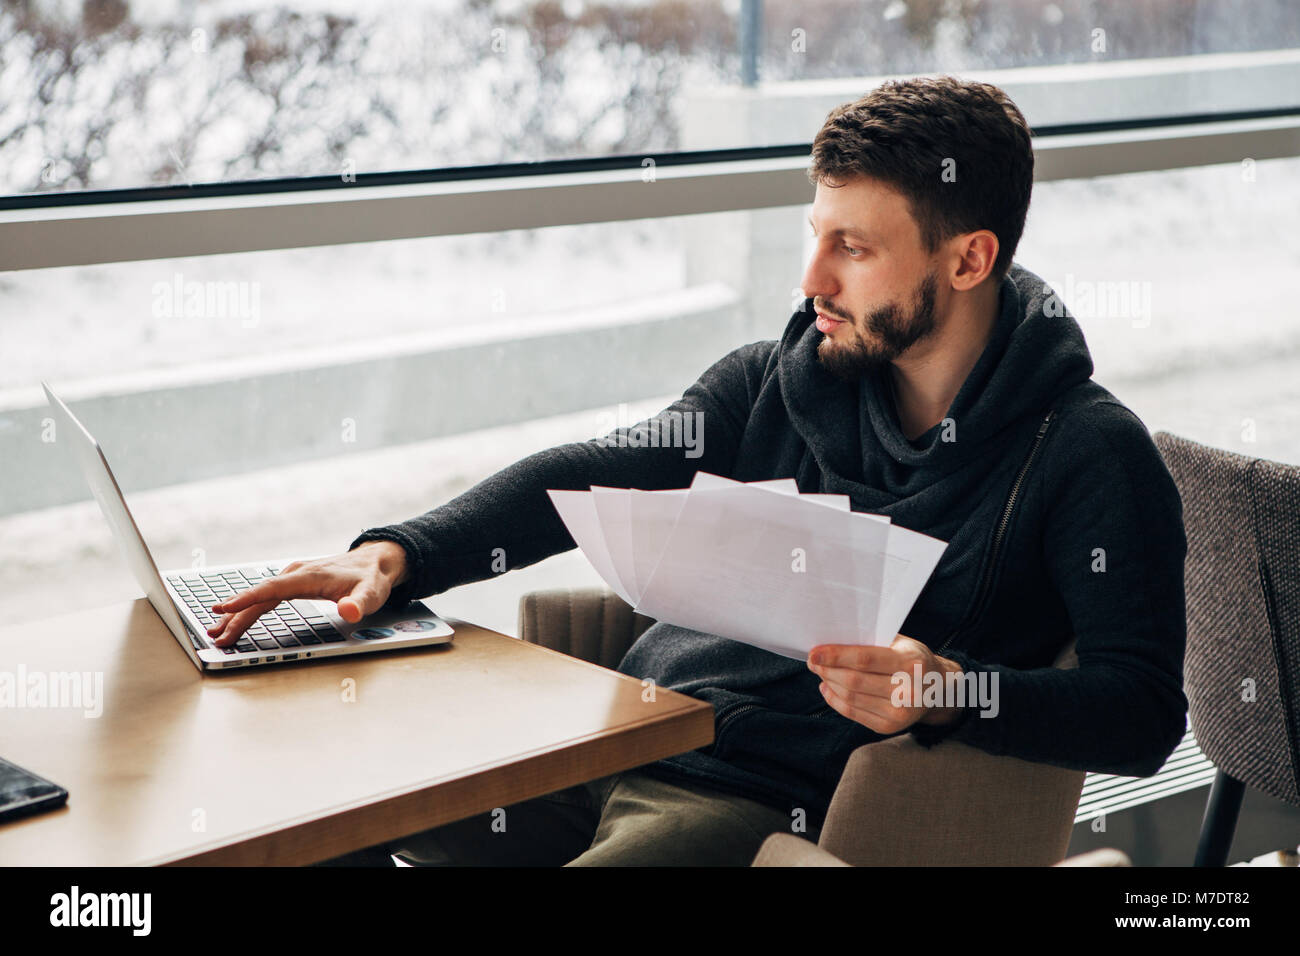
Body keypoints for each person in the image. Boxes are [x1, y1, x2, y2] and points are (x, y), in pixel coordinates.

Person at [206, 75, 1189, 866]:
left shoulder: (1086, 453)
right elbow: (592, 473)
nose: (812, 280)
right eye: (816, 233)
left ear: (968, 259)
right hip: (618, 735)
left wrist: (951, 690)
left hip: (750, 799)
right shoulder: (778, 379)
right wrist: (398, 554)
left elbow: (1142, 711)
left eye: (853, 247)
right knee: (315, 821)